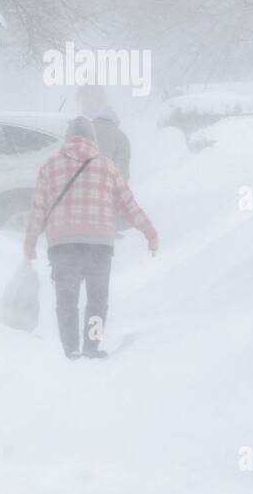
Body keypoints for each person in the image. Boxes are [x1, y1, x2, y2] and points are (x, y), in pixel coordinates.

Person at [23, 116, 157, 359]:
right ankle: (92, 347)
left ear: (68, 138)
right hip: (99, 245)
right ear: (92, 139)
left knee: (66, 299)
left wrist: (30, 242)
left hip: (63, 245)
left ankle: (71, 349)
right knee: (97, 299)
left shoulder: (49, 166)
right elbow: (129, 206)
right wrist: (150, 232)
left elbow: (38, 210)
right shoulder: (107, 166)